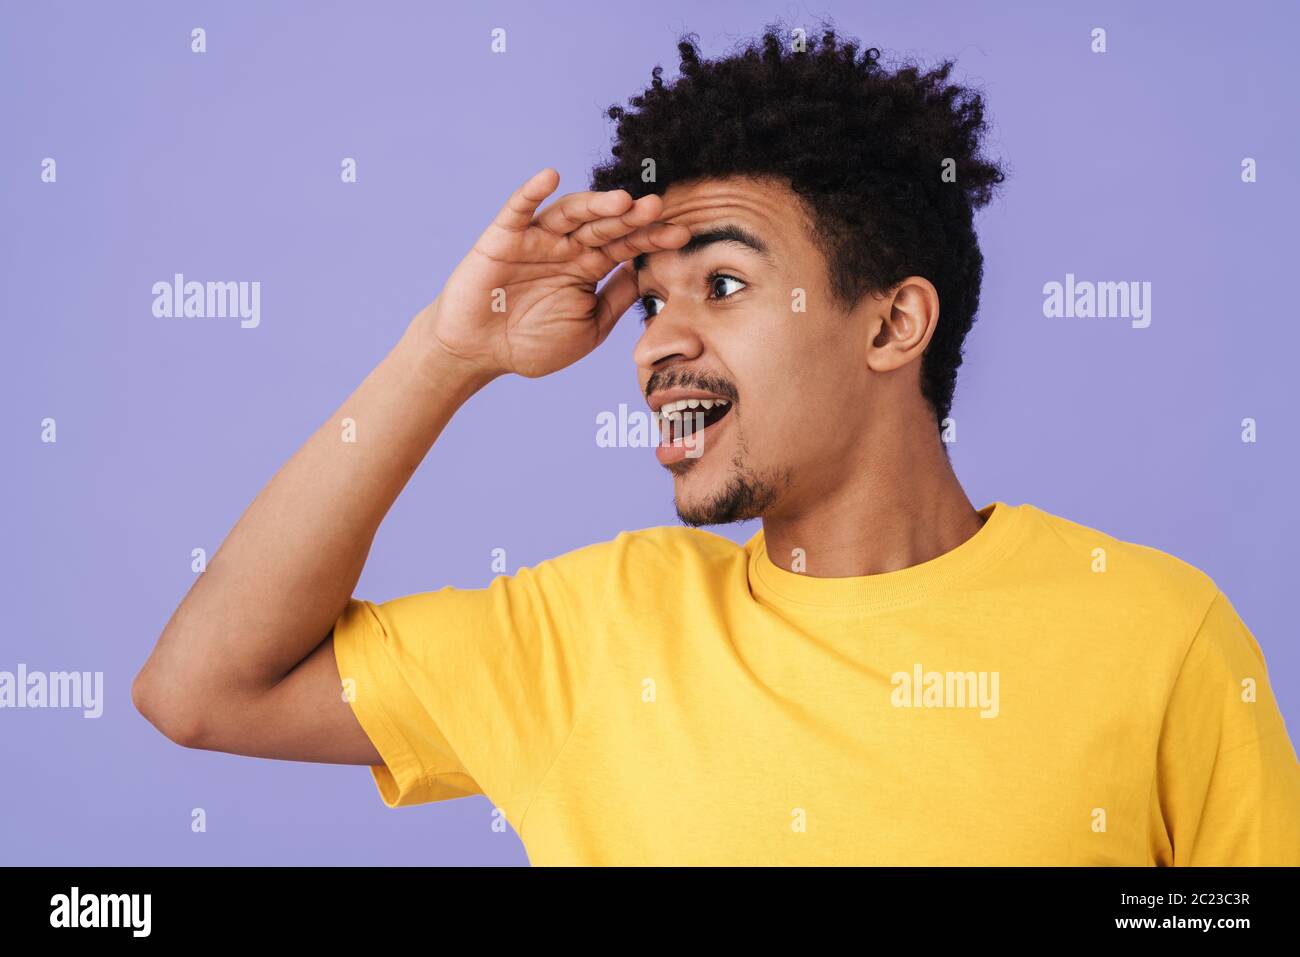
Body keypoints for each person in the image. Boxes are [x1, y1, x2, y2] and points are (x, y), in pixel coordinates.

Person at [132, 25, 1300, 865]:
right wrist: (446, 356)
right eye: (649, 300)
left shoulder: (1157, 631)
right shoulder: (592, 634)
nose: (655, 344)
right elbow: (201, 693)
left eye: (723, 285)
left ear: (891, 324)